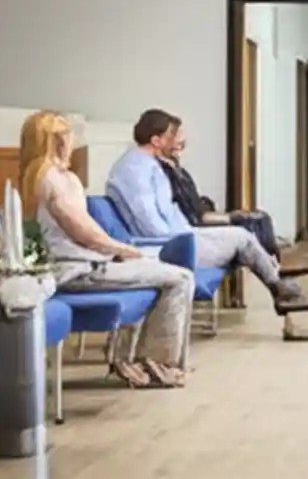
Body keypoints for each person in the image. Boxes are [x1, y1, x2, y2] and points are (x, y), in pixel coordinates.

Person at [19, 110, 194, 389]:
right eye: (66, 135)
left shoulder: (60, 177)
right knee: (180, 278)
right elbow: (83, 231)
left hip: (90, 261)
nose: (72, 141)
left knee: (159, 270)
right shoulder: (49, 178)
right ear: (56, 140)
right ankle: (159, 363)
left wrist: (119, 250)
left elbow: (89, 228)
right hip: (76, 269)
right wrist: (122, 249)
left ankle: (132, 359)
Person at [106, 109, 308, 315]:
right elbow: (149, 223)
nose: (177, 141)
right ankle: (281, 289)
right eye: (171, 135)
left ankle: (279, 285)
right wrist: (185, 238)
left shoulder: (146, 165)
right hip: (167, 246)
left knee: (243, 236)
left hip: (179, 236)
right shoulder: (135, 171)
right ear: (156, 140)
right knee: (242, 239)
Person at [158, 135, 308, 276]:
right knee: (256, 220)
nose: (181, 142)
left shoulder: (180, 171)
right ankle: (272, 264)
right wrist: (228, 217)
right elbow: (194, 215)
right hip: (197, 222)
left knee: (260, 216)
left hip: (201, 214)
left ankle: (272, 261)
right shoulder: (166, 174)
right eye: (176, 136)